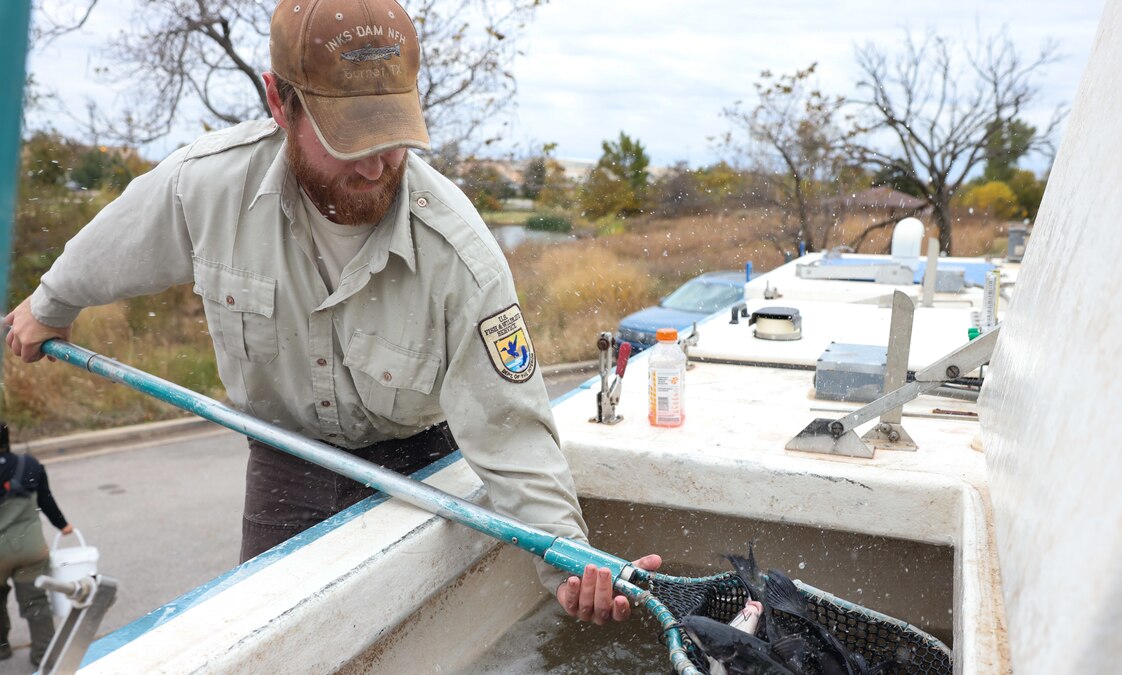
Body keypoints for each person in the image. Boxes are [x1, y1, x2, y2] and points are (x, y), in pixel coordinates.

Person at [4, 0, 656, 624]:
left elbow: (513, 435)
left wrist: (566, 560)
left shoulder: (462, 257)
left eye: (393, 135)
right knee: (264, 639)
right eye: (351, 138)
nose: (376, 165)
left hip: (420, 465)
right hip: (284, 463)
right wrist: (51, 304)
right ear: (278, 101)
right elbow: (118, 242)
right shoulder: (206, 185)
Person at [0, 424, 73, 666]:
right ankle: (44, 654)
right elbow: (46, 500)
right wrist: (63, 525)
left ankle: (1, 648)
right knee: (36, 602)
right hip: (30, 548)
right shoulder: (29, 466)